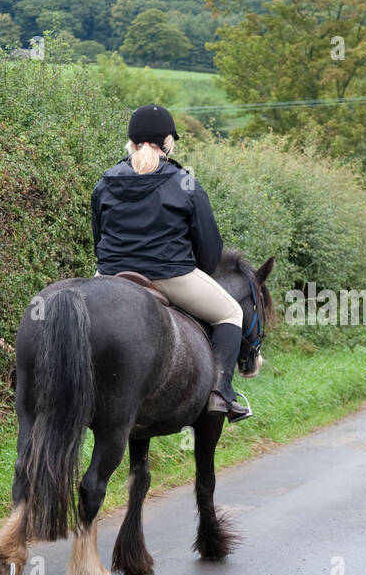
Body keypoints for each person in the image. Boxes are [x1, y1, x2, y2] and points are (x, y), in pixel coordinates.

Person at [90, 103, 252, 422]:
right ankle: (221, 395)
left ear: (131, 142)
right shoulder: (185, 181)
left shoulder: (106, 180)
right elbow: (209, 250)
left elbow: (99, 238)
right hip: (169, 276)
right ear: (168, 142)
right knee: (231, 312)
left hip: (109, 276)